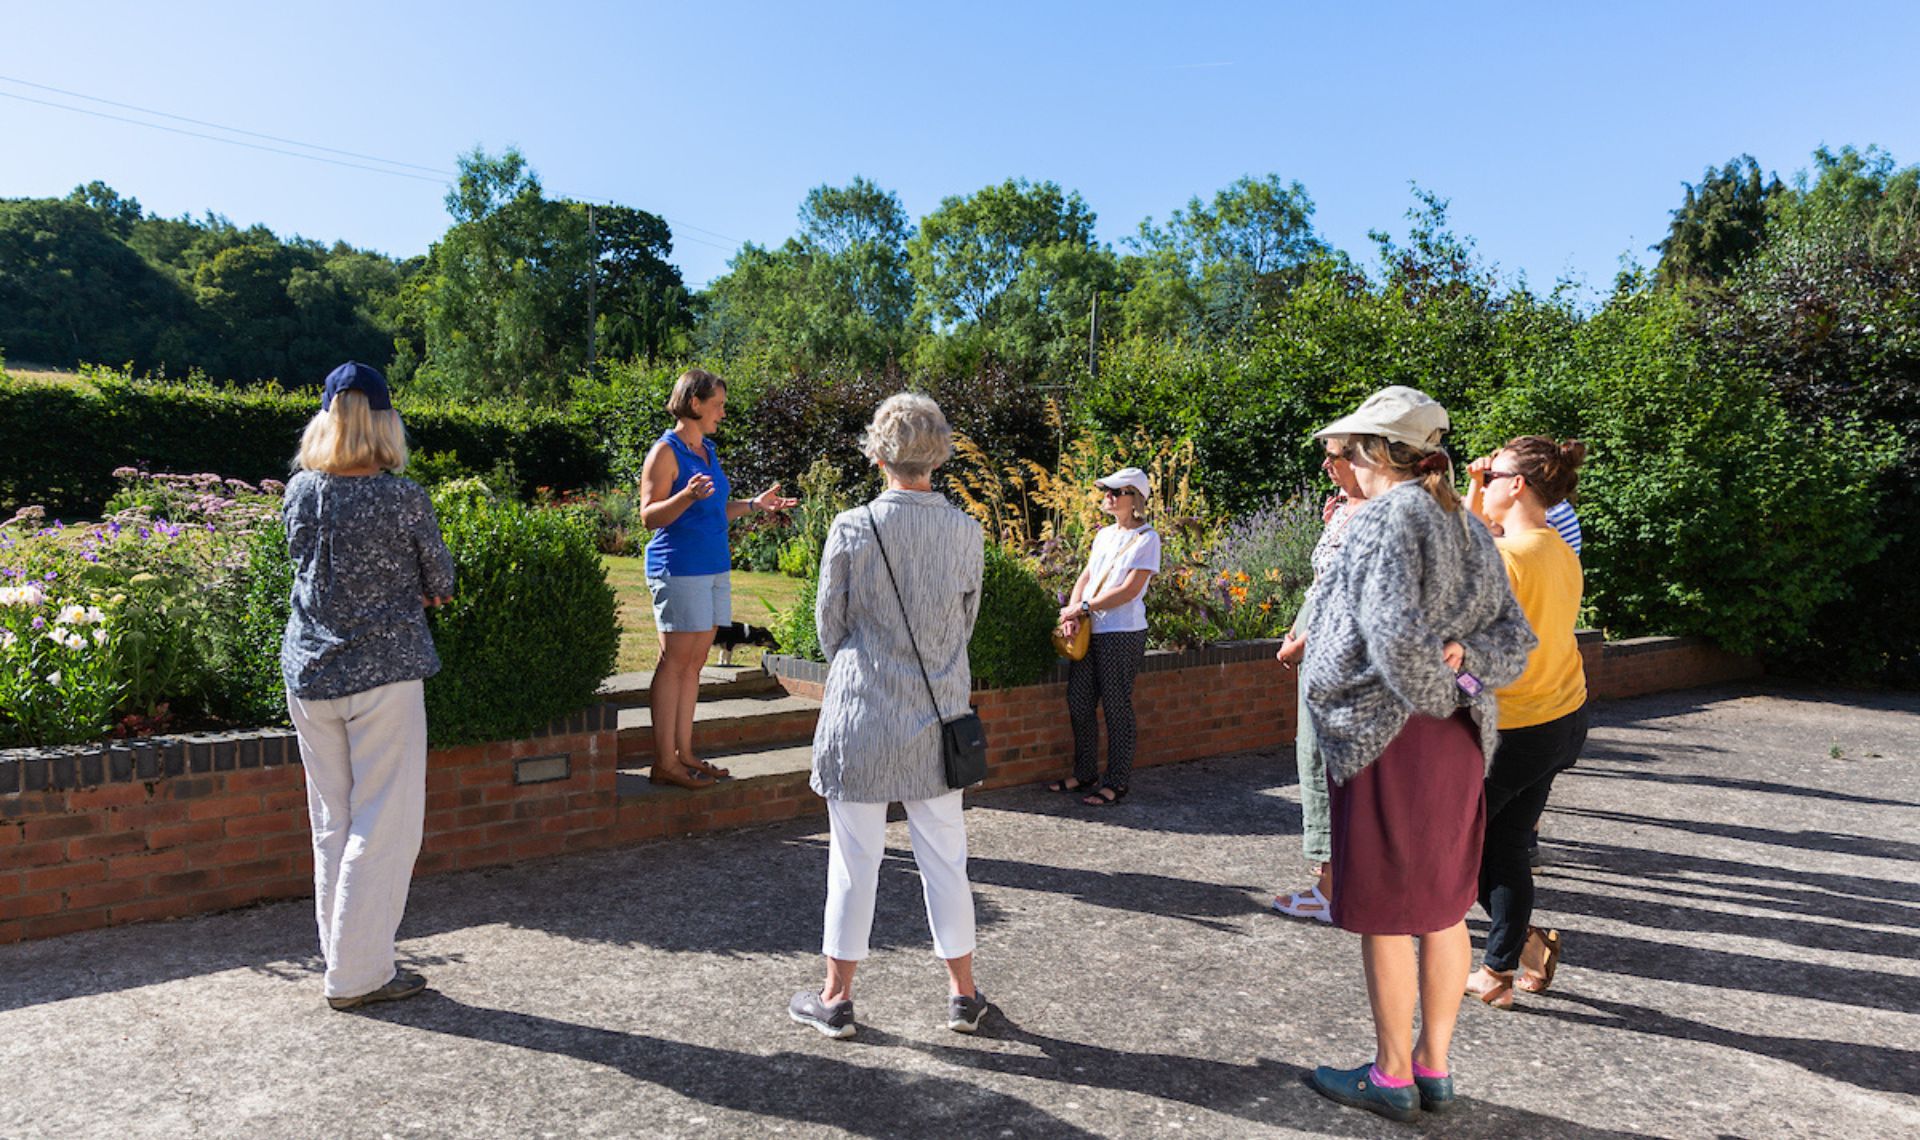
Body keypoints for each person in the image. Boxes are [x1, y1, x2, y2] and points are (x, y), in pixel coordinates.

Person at [1300, 386, 1536, 1123]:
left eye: (1341, 451)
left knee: (1386, 915)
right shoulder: (1465, 525)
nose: (1336, 462)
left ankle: (1392, 1075)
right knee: (1441, 910)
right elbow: (1515, 640)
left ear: (1373, 452)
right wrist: (1463, 680)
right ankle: (1433, 1067)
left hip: (1391, 739)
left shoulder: (1380, 521)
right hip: (1458, 740)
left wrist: (1424, 689)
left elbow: (1391, 639)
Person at [789, 394, 989, 1040]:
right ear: (940, 453)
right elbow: (964, 625)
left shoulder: (852, 526)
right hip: (937, 716)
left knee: (854, 861)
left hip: (862, 712)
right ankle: (964, 994)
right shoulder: (965, 530)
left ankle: (836, 998)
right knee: (945, 858)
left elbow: (829, 626)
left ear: (878, 454)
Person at [281, 361, 455, 1011]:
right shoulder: (403, 497)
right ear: (387, 423)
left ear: (326, 420)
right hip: (384, 676)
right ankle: (358, 975)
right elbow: (440, 581)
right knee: (384, 824)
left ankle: (345, 957)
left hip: (310, 674)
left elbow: (305, 567)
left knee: (332, 821)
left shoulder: (301, 491)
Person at [1462, 437, 1590, 1009]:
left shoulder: (1508, 561)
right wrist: (1473, 487)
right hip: (1561, 719)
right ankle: (1506, 962)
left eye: (1491, 473)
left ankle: (1505, 960)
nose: (1483, 480)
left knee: (1452, 846)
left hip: (1514, 729)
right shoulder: (1558, 548)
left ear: (1518, 485)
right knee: (1505, 844)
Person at [638, 369, 795, 789]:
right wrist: (685, 495)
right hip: (679, 568)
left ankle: (684, 754)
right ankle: (663, 762)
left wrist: (752, 505)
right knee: (674, 664)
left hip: (713, 569)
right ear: (695, 403)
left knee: (694, 665)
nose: (723, 413)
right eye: (718, 404)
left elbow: (713, 511)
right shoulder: (666, 452)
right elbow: (649, 516)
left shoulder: (707, 450)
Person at [1271, 441, 1368, 923]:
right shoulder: (1346, 509)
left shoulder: (1372, 516)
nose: (1325, 464)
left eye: (1334, 455)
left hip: (1334, 646)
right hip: (1318, 632)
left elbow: (1347, 596)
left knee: (1321, 757)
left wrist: (1302, 640)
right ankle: (1339, 882)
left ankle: (1331, 889)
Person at [1047, 467, 1161, 806]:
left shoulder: (1147, 539)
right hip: (1091, 629)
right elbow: (1087, 575)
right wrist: (1073, 612)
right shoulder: (1105, 535)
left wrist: (1081, 607)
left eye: (1116, 491)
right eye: (1106, 491)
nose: (1108, 497)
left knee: (1116, 706)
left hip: (1122, 634)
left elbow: (1129, 591)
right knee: (1079, 701)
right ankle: (1085, 773)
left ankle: (1117, 782)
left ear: (1135, 499)